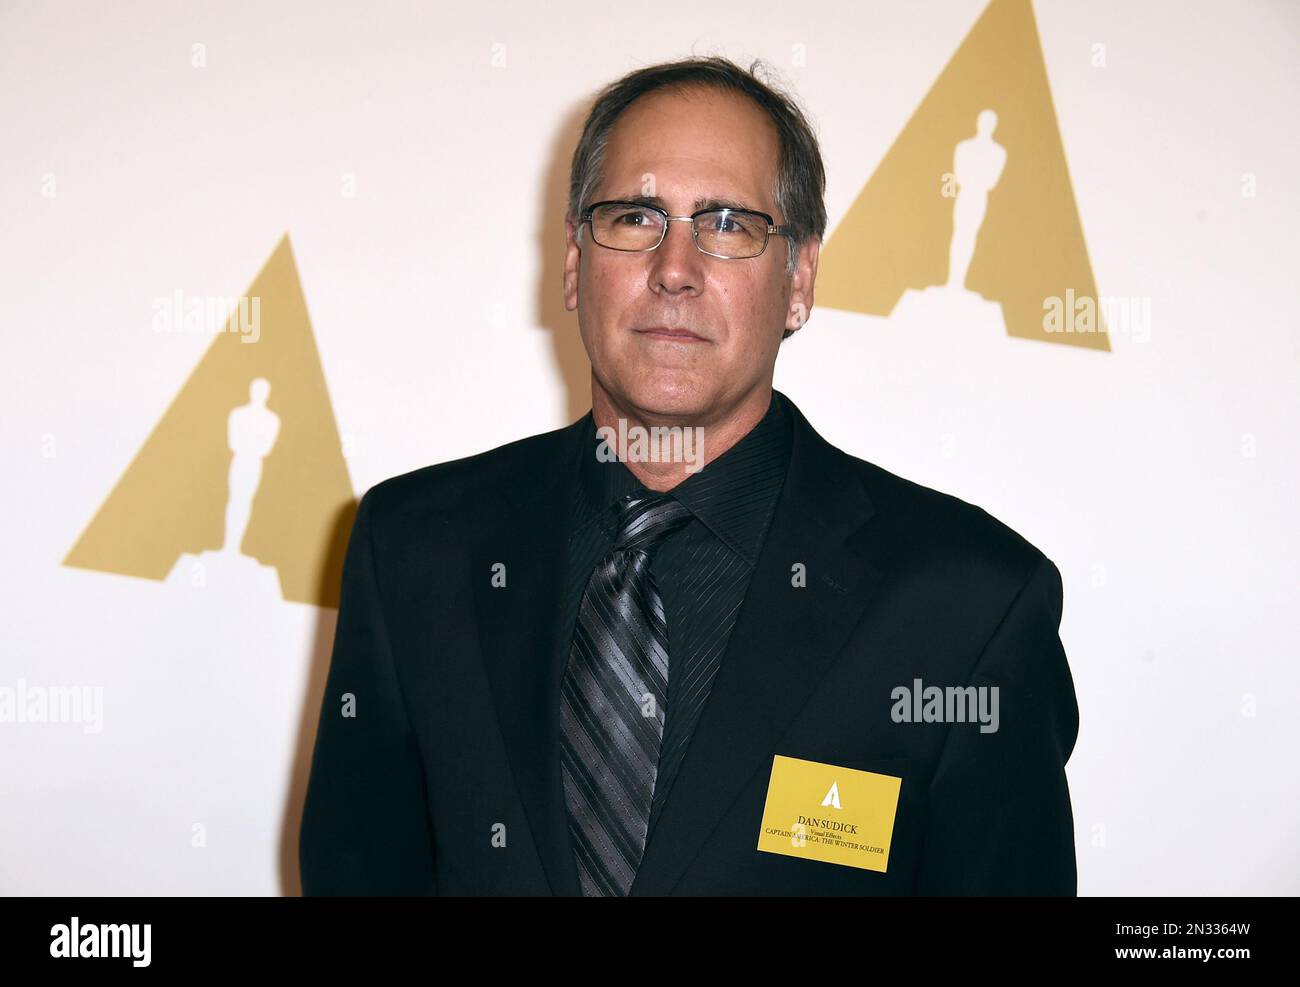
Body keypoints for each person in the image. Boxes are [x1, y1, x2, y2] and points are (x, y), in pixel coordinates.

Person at [299, 55, 1079, 896]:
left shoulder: (969, 604)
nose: (675, 268)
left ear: (800, 279)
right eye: (636, 217)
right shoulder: (415, 548)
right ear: (573, 261)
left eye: (729, 225)